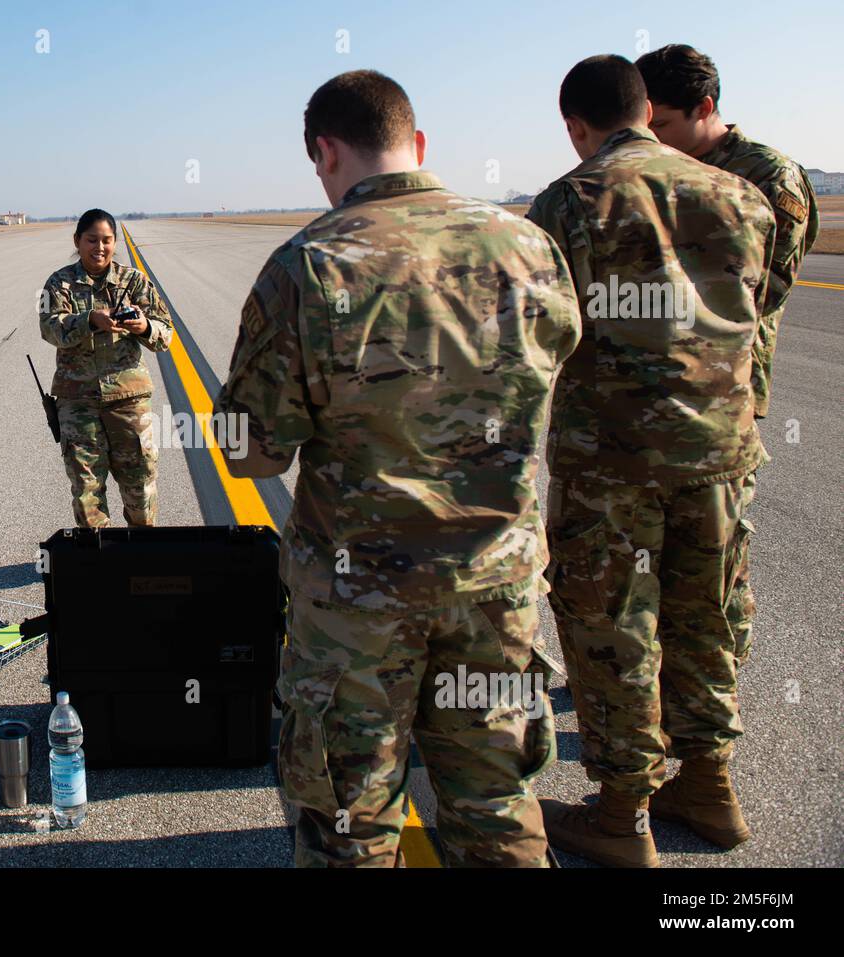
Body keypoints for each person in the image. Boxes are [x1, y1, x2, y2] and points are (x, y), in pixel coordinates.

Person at [215, 70, 581, 867]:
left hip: (358, 609)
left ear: (325, 151)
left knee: (351, 823)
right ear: (417, 144)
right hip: (495, 591)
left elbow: (251, 452)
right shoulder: (529, 247)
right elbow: (560, 368)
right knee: (498, 808)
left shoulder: (307, 267)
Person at [526, 55, 776, 866]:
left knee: (612, 632)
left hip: (614, 464)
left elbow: (538, 334)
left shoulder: (572, 200)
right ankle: (710, 785)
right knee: (704, 617)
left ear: (576, 125)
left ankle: (623, 814)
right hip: (721, 454)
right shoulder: (741, 194)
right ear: (643, 107)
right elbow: (757, 307)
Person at [636, 43, 820, 669]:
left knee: (719, 551)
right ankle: (658, 680)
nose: (653, 139)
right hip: (656, 391)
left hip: (726, 389)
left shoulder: (767, 176)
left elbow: (761, 292)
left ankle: (718, 681)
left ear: (705, 108)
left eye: (662, 125)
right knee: (653, 552)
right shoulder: (656, 172)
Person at [38, 209, 172, 528]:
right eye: (91, 240)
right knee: (87, 492)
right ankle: (101, 563)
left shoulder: (134, 281)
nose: (99, 247)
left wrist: (143, 327)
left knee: (140, 485)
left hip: (128, 399)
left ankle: (141, 558)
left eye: (107, 240)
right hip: (77, 400)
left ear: (115, 242)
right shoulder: (59, 283)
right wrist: (89, 321)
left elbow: (165, 332)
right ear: (78, 241)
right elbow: (48, 328)